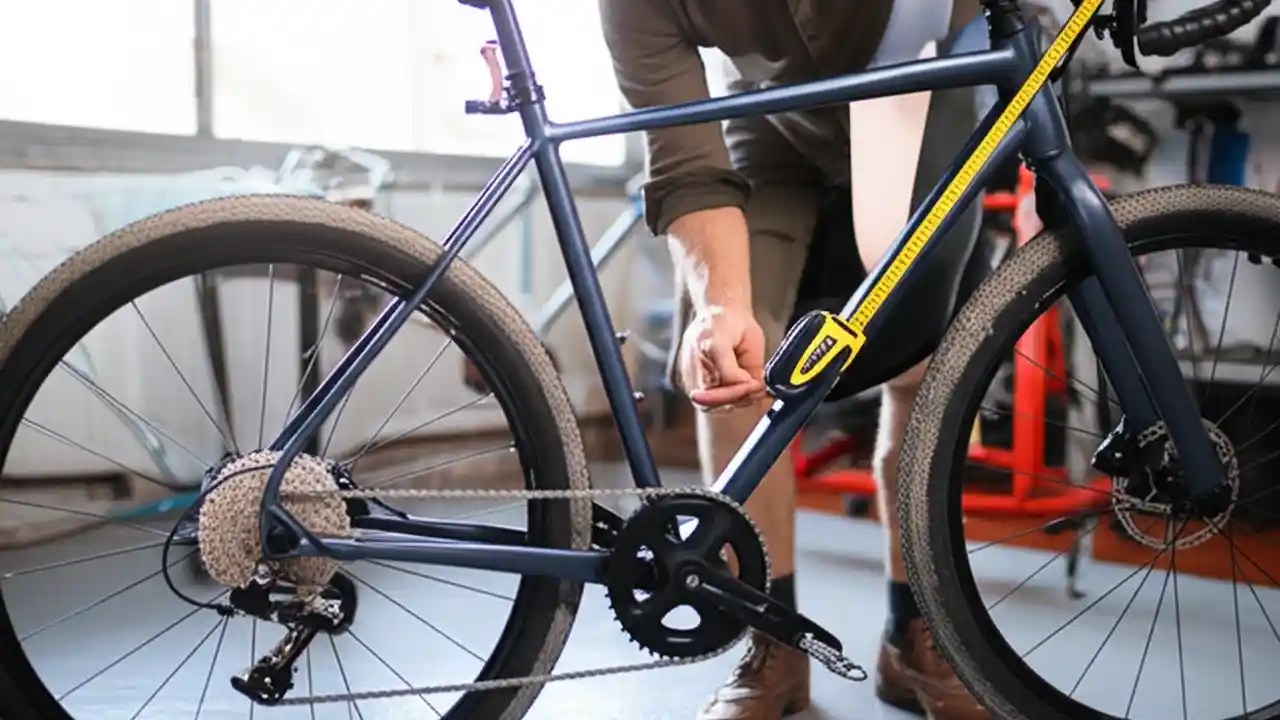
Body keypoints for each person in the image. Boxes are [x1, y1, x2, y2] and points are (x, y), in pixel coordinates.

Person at [598, 1, 998, 718]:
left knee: (927, 373)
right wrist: (722, 305)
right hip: (772, 125)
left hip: (923, 92)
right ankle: (771, 647)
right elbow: (687, 164)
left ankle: (917, 635)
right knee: (732, 366)